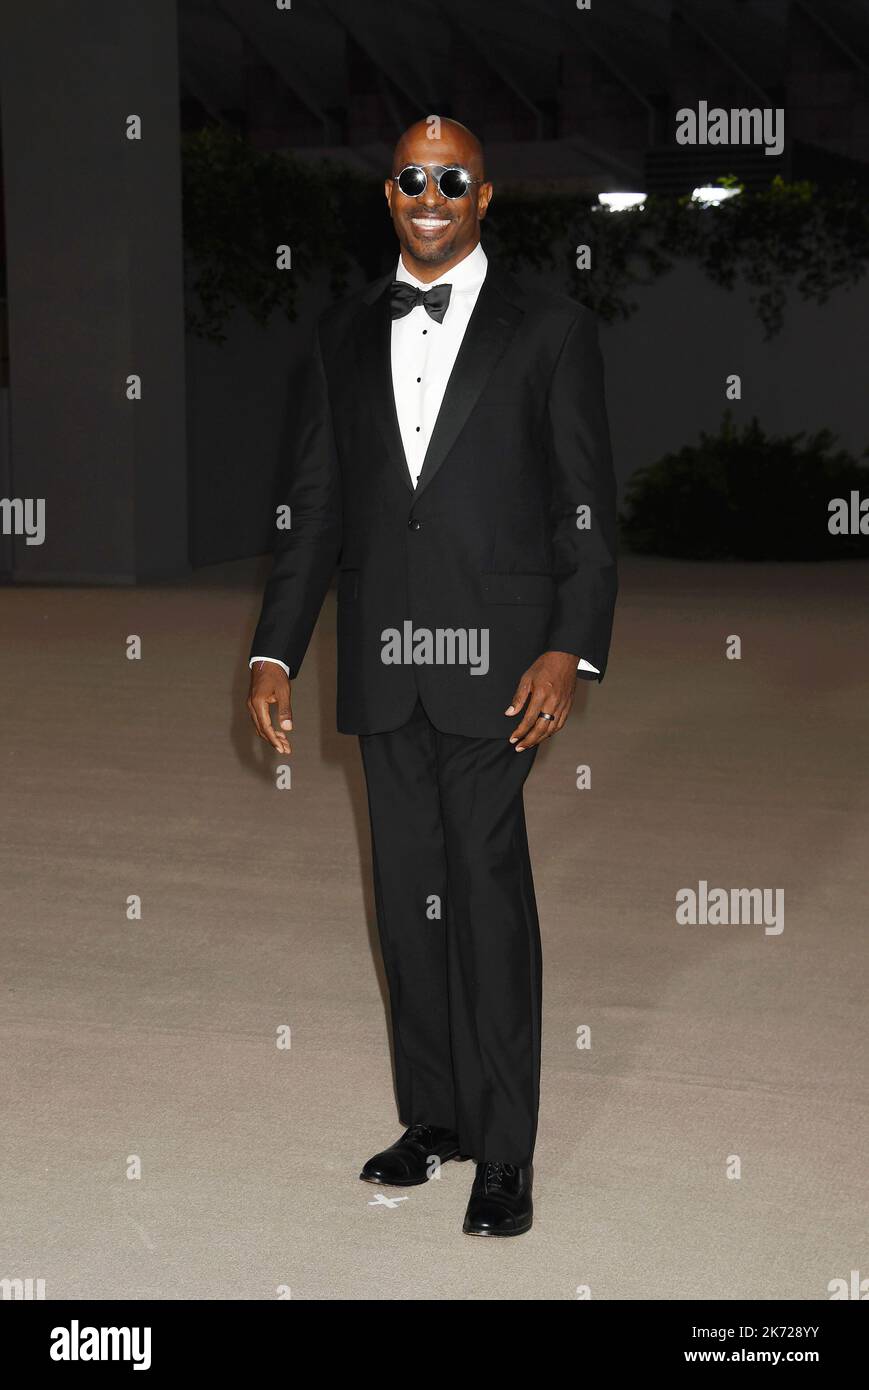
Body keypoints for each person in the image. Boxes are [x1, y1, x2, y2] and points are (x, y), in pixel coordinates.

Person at [247, 116, 617, 1237]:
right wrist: (275, 646)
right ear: (389, 193)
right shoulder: (341, 333)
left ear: (484, 197)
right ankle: (437, 1118)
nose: (430, 191)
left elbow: (585, 511)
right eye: (411, 176)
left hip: (501, 666)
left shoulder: (549, 330)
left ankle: (505, 1150)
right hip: (379, 664)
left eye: (451, 177)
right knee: (408, 907)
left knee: (487, 901)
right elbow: (313, 512)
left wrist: (570, 643)